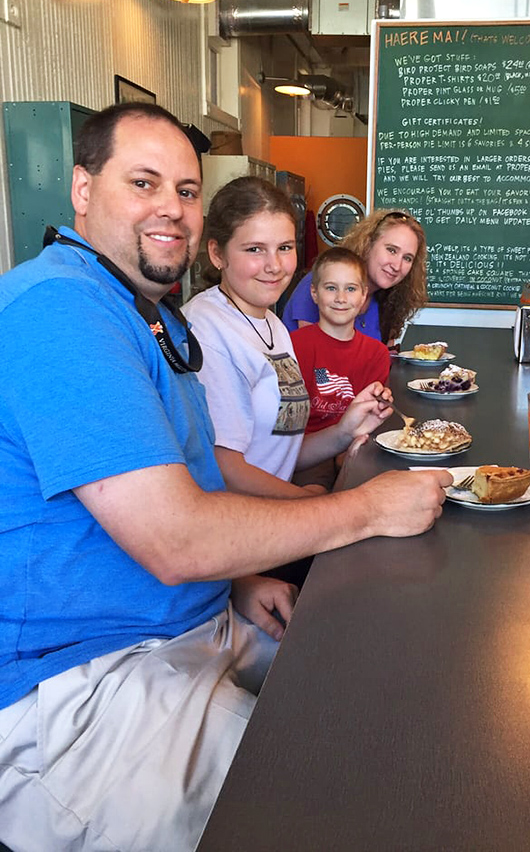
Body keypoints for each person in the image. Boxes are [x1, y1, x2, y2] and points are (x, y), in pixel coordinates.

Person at [0, 102, 452, 852]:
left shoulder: (151, 317)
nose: (169, 209)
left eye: (183, 190)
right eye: (143, 182)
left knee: (383, 702)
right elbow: (176, 537)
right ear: (82, 188)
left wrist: (237, 582)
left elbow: (189, 487)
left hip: (191, 624)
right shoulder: (59, 310)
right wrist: (365, 507)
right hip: (84, 680)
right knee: (326, 806)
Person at [183, 177, 392, 501]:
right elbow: (226, 471)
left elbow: (280, 451)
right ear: (216, 253)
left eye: (285, 248)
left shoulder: (273, 324)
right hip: (241, 525)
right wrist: (320, 506)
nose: (275, 266)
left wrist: (344, 431)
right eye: (255, 249)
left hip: (273, 507)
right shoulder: (207, 331)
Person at [281, 208, 428, 345]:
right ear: (367, 244)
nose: (397, 266)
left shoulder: (387, 301)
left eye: (407, 258)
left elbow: (386, 358)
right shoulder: (322, 282)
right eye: (391, 250)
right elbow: (317, 362)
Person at [291, 246, 391, 435]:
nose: (341, 298)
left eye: (351, 289)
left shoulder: (377, 354)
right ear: (314, 293)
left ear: (363, 295)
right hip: (300, 453)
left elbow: (366, 421)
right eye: (331, 288)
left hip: (352, 449)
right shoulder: (292, 346)